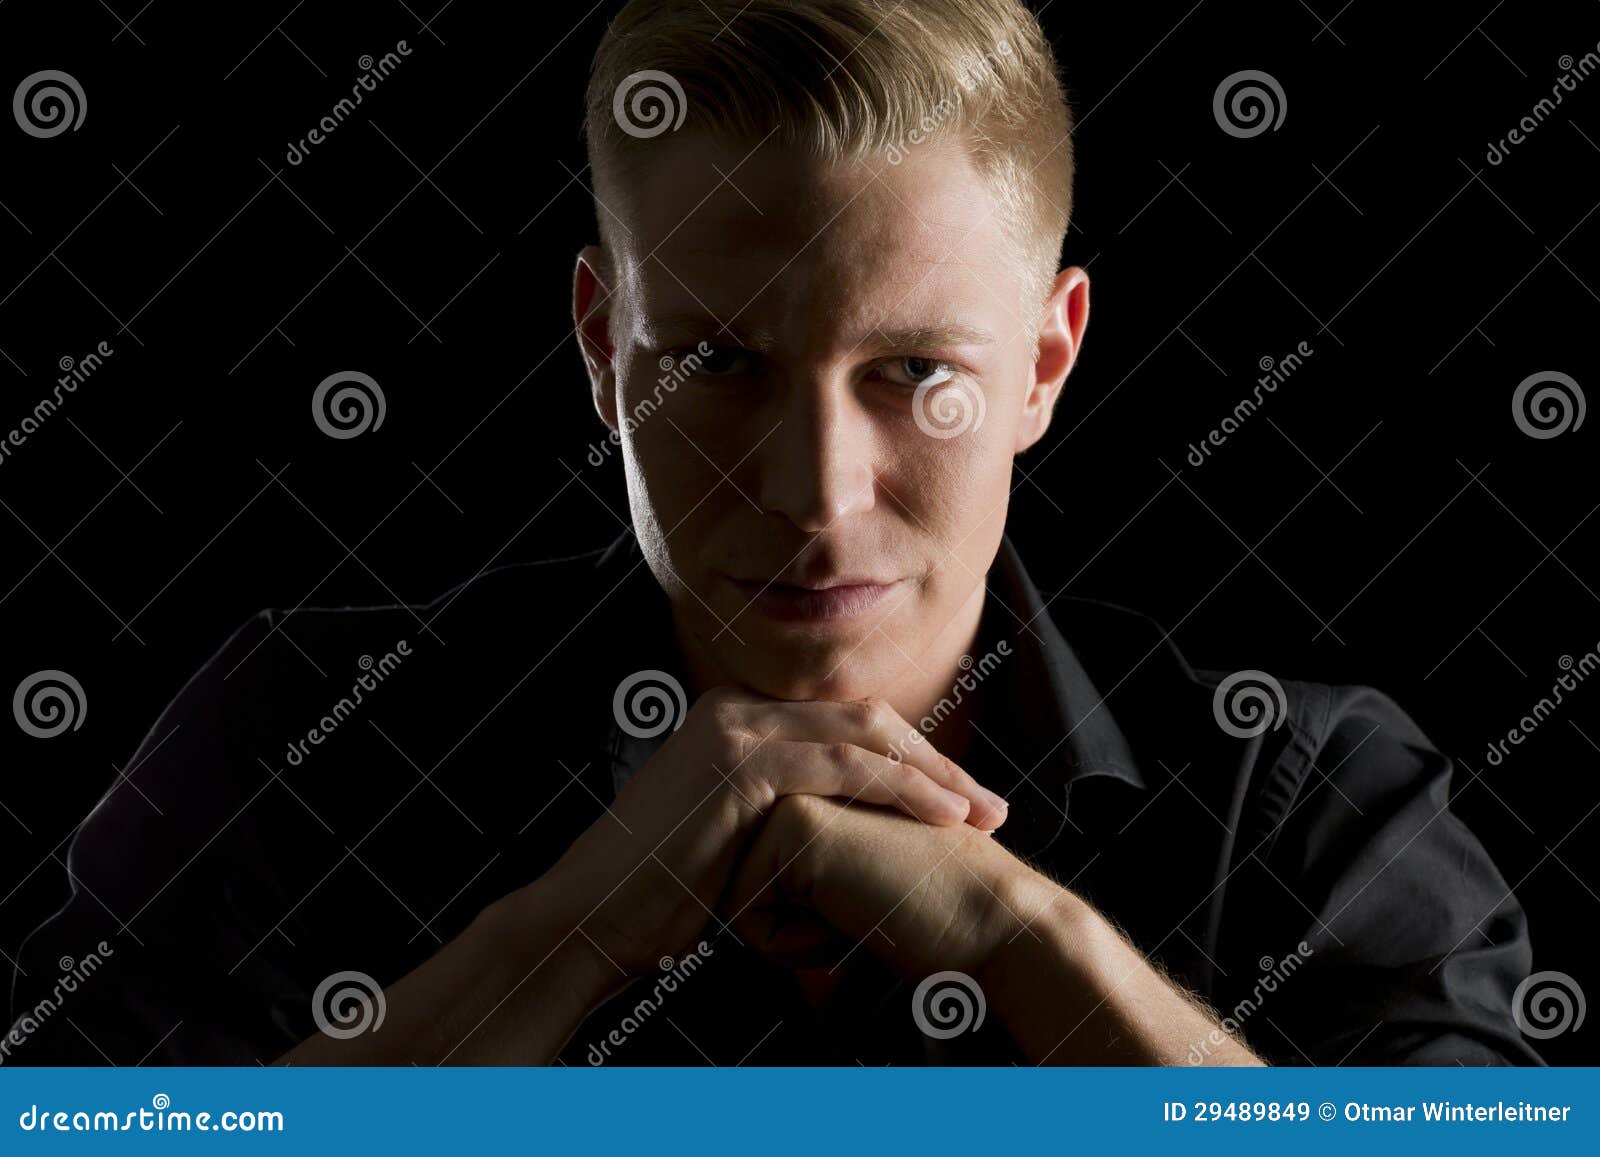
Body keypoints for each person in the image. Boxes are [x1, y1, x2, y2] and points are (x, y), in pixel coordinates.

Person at [5, 0, 1540, 1067]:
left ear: (1046, 365)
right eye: (718, 361)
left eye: (916, 372)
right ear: (605, 350)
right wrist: (566, 936)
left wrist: (1030, 945)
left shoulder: (1321, 812)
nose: (814, 492)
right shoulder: (298, 742)